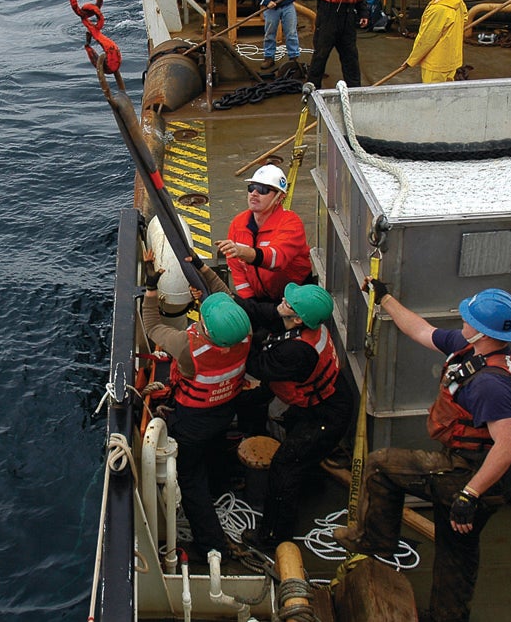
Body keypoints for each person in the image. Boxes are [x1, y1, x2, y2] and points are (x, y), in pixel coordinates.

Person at [334, 281, 511, 622]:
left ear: (482, 333)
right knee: (456, 547)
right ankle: (447, 615)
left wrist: (469, 495)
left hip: (474, 474)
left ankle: (376, 540)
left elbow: (507, 445)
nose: (462, 319)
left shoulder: (491, 384)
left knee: (381, 466)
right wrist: (385, 299)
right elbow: (422, 331)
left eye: (469, 317)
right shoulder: (474, 350)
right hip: (476, 471)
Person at [141, 262, 253, 559]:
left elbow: (152, 326)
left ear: (205, 328)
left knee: (191, 478)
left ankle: (211, 544)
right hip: (225, 407)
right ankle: (223, 484)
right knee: (215, 450)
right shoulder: (244, 333)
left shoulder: (188, 347)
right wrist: (203, 270)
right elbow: (225, 296)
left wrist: (151, 290)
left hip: (192, 420)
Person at [239, 283, 354, 551]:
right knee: (297, 447)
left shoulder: (297, 351)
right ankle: (310, 484)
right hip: (323, 400)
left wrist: (237, 334)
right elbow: (260, 311)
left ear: (298, 318)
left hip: (326, 417)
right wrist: (228, 301)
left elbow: (256, 366)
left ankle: (272, 537)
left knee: (285, 466)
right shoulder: (303, 327)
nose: (283, 300)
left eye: (289, 303)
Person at [215, 164, 312, 302]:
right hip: (258, 298)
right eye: (251, 188)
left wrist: (243, 251)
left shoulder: (291, 224)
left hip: (294, 300)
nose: (254, 193)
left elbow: (276, 259)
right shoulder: (238, 223)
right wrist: (250, 301)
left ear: (279, 198)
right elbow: (236, 267)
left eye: (262, 189)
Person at [403, 0, 468, 83]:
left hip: (436, 64)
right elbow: (464, 19)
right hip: (452, 61)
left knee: (432, 98)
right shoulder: (456, 0)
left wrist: (411, 60)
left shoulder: (438, 9)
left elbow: (426, 39)